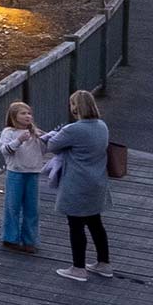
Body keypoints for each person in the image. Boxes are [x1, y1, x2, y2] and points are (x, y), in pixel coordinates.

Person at [47, 90, 115, 282]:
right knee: (96, 223)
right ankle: (104, 263)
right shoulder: (102, 126)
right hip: (97, 182)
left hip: (77, 184)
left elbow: (52, 145)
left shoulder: (74, 129)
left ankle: (78, 268)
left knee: (76, 226)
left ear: (76, 107)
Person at [0, 101, 47, 251]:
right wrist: (19, 141)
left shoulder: (34, 132)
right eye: (23, 113)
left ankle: (29, 240)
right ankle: (10, 237)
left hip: (33, 172)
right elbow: (5, 150)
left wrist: (44, 139)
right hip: (16, 172)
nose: (27, 116)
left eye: (29, 113)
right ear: (14, 116)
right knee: (13, 206)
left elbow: (45, 149)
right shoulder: (9, 132)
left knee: (32, 208)